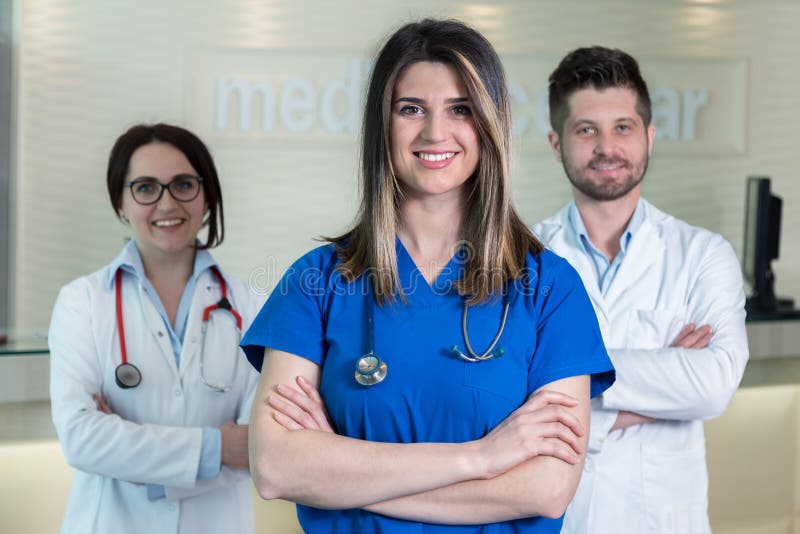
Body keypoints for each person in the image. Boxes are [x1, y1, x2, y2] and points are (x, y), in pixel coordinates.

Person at [240, 19, 615, 533]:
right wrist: (482, 458)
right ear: (382, 125)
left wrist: (342, 474)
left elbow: (546, 489)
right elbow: (277, 469)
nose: (435, 133)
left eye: (460, 109)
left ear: (489, 125)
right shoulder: (316, 282)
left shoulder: (549, 289)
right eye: (410, 109)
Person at [532, 47, 749, 534]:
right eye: (586, 129)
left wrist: (567, 380)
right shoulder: (523, 260)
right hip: (560, 521)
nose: (607, 147)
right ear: (555, 142)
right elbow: (510, 397)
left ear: (649, 136)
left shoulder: (702, 254)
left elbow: (713, 385)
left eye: (623, 127)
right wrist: (664, 376)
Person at [48, 123, 262, 534]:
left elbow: (260, 450)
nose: (167, 203)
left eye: (183, 184)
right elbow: (82, 439)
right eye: (145, 188)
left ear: (207, 196)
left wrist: (129, 457)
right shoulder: (82, 302)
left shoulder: (250, 305)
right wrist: (220, 446)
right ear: (120, 204)